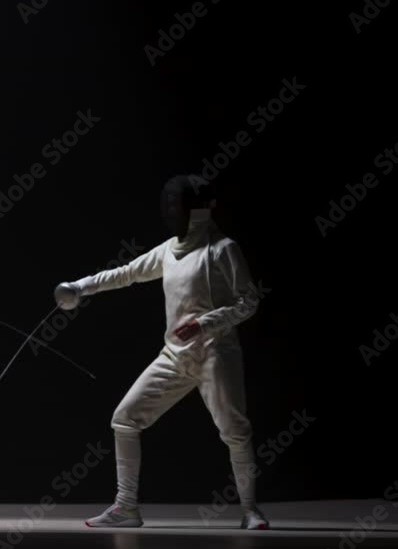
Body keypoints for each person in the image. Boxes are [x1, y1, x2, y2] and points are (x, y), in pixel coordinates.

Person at [54, 176, 269, 529]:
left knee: (235, 430)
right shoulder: (169, 250)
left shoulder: (222, 248)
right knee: (124, 419)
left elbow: (249, 301)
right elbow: (127, 273)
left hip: (215, 353)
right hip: (174, 357)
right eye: (168, 205)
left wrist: (204, 324)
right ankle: (126, 508)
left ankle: (250, 511)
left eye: (177, 205)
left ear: (195, 209)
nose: (171, 212)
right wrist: (80, 287)